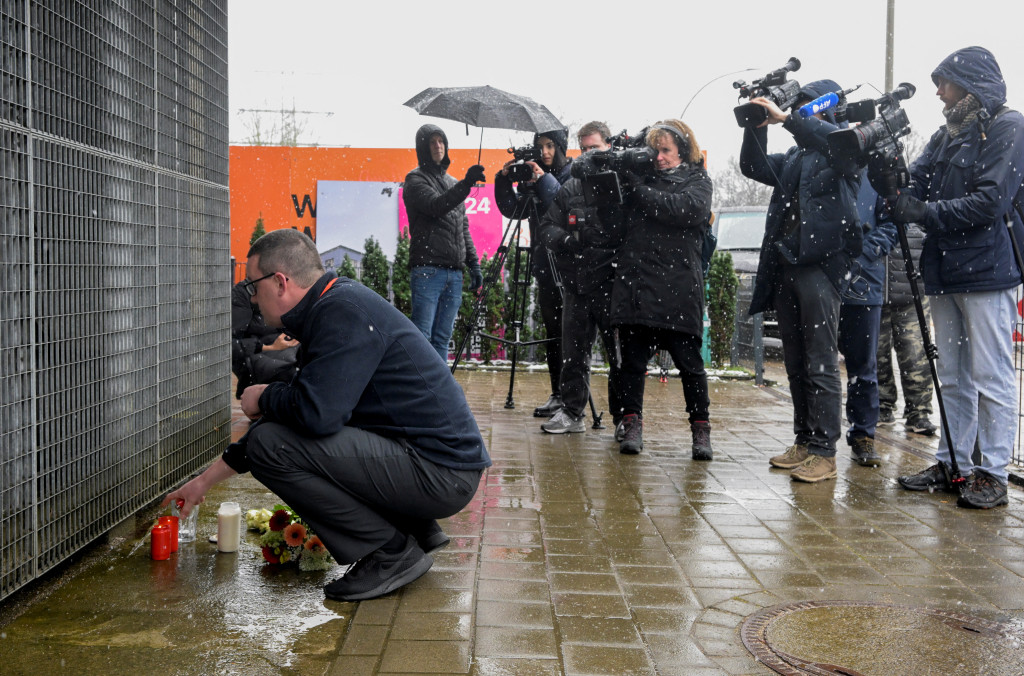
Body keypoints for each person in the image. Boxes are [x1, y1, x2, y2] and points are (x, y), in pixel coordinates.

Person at [163, 229, 491, 601]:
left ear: (279, 282)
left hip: (441, 474)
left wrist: (265, 395)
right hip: (433, 466)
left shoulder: (342, 312)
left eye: (253, 286)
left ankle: (389, 552)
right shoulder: (333, 304)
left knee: (273, 447)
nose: (252, 298)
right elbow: (305, 413)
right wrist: (204, 482)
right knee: (280, 436)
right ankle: (413, 527)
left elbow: (315, 417)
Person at [892, 46, 1024, 509]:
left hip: (988, 272)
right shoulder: (947, 134)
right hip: (946, 271)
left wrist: (924, 211)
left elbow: (990, 201)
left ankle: (992, 474)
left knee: (992, 375)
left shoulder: (1009, 126)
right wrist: (890, 173)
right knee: (951, 375)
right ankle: (954, 464)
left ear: (970, 84)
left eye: (944, 83)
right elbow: (916, 182)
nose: (938, 92)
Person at [739, 80, 863, 482]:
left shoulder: (843, 146)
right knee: (795, 362)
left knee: (820, 361)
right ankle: (805, 440)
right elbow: (754, 167)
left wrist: (792, 119)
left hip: (821, 268)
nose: (797, 112)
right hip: (788, 265)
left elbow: (840, 147)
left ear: (825, 109)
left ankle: (825, 452)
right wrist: (754, 123)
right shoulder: (797, 155)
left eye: (807, 107)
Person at [609, 119, 714, 459]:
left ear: (683, 150)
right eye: (654, 150)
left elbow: (683, 210)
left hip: (679, 286)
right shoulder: (637, 178)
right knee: (633, 363)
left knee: (690, 365)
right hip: (639, 285)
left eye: (666, 150)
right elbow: (612, 218)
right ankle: (631, 423)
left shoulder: (698, 181)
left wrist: (639, 190)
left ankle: (701, 430)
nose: (659, 157)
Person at [537, 121, 626, 435]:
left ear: (608, 146)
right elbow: (547, 227)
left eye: (595, 147)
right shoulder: (571, 188)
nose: (589, 154)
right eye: (584, 148)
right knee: (573, 353)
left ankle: (624, 420)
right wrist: (567, 241)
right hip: (577, 283)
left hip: (613, 285)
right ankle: (572, 412)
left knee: (619, 357)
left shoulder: (624, 183)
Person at [495, 129, 573, 418]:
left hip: (567, 265)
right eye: (541, 147)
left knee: (570, 335)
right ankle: (557, 393)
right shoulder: (535, 175)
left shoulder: (570, 173)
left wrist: (543, 179)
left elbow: (563, 202)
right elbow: (514, 210)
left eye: (551, 146)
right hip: (544, 265)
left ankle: (572, 398)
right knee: (553, 332)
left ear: (561, 147)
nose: (546, 152)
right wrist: (503, 181)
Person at [403, 124, 485, 362]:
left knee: (442, 338)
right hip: (427, 270)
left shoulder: (452, 182)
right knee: (421, 336)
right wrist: (466, 184)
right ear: (423, 147)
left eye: (441, 141)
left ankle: (438, 391)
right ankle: (417, 389)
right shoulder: (415, 179)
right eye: (432, 141)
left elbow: (463, 227)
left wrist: (474, 264)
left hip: (454, 273)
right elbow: (436, 206)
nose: (438, 146)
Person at [839, 182, 897, 467]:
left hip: (864, 284)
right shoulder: (820, 158)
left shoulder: (875, 175)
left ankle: (863, 435)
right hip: (822, 276)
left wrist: (869, 248)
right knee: (816, 363)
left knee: (863, 364)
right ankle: (813, 437)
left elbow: (892, 223)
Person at [876, 221, 937, 435]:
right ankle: (881, 406)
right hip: (875, 291)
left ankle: (919, 413)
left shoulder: (917, 191)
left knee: (916, 354)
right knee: (876, 353)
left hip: (914, 291)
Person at [231, 280, 299, 398]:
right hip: (259, 354)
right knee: (292, 375)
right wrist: (268, 347)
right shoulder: (244, 292)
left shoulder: (286, 284)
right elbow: (231, 344)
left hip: (287, 350)